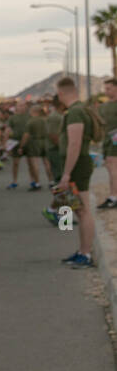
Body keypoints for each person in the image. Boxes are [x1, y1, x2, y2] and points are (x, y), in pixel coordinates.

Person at [54, 77, 102, 268]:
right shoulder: (79, 110)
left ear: (61, 93)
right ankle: (82, 250)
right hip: (79, 163)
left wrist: (66, 174)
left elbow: (74, 143)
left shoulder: (75, 113)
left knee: (83, 210)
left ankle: (86, 254)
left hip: (78, 165)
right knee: (79, 210)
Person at [98, 78, 117, 209]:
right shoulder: (103, 106)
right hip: (106, 140)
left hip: (115, 139)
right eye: (105, 88)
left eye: (109, 88)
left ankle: (114, 197)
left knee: (113, 167)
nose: (106, 91)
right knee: (110, 168)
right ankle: (113, 196)